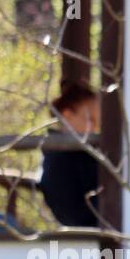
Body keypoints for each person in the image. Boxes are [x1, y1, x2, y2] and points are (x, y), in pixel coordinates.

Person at [38, 80, 101, 227]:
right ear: (67, 116)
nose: (93, 128)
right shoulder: (59, 159)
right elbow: (73, 215)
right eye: (90, 119)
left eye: (96, 123)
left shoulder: (82, 154)